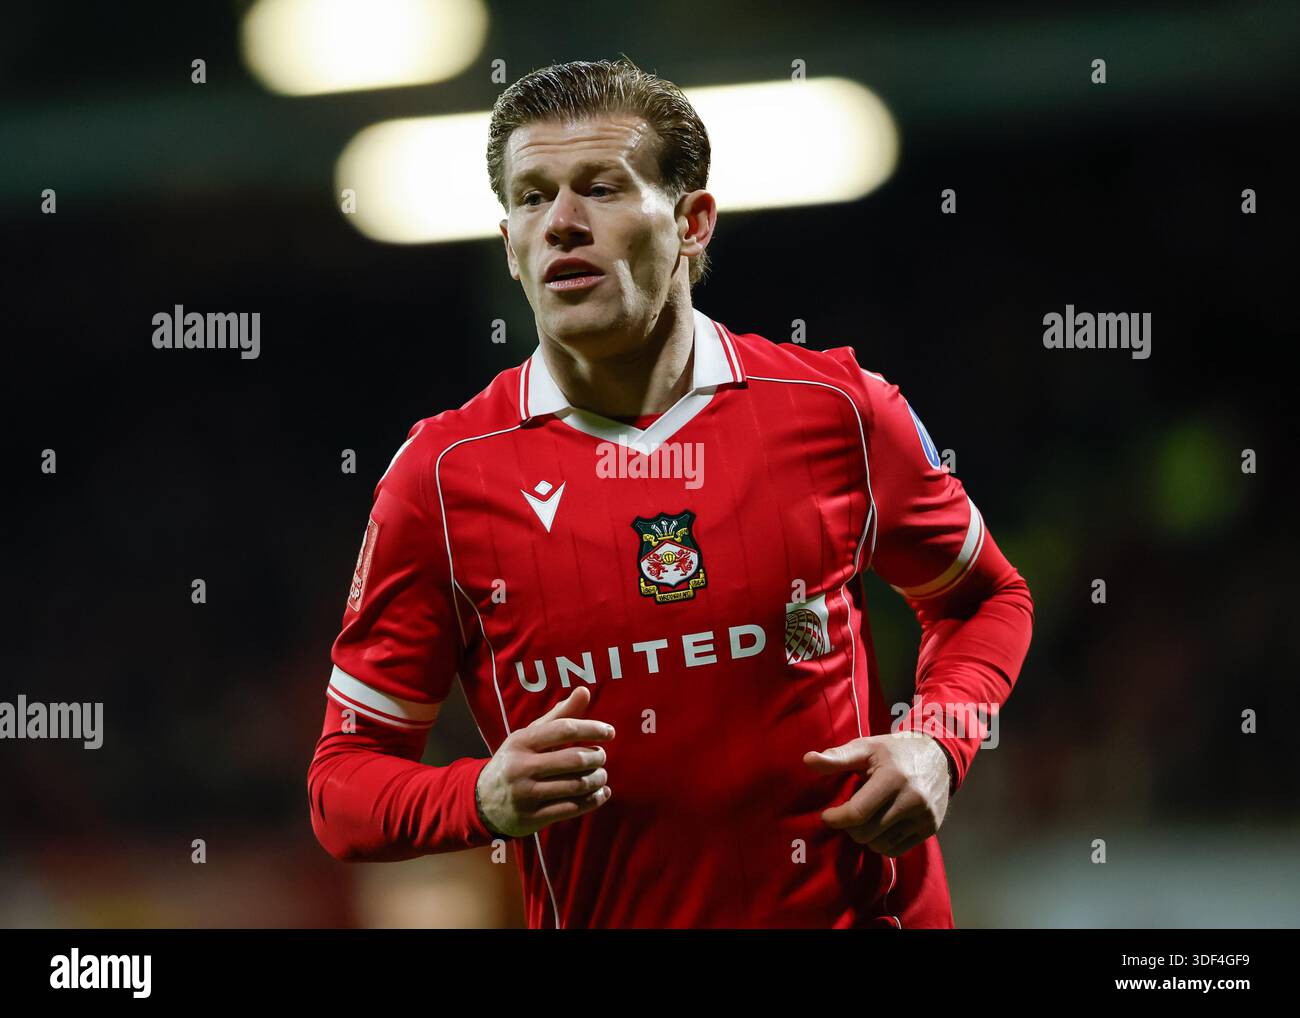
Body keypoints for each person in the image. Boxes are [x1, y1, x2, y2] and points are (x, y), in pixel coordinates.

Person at [307, 57, 1034, 928]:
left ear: (693, 223)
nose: (562, 224)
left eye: (601, 189)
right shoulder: (441, 480)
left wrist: (937, 743)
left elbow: (986, 595)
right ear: (508, 247)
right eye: (532, 198)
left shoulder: (837, 411)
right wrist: (480, 797)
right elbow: (342, 786)